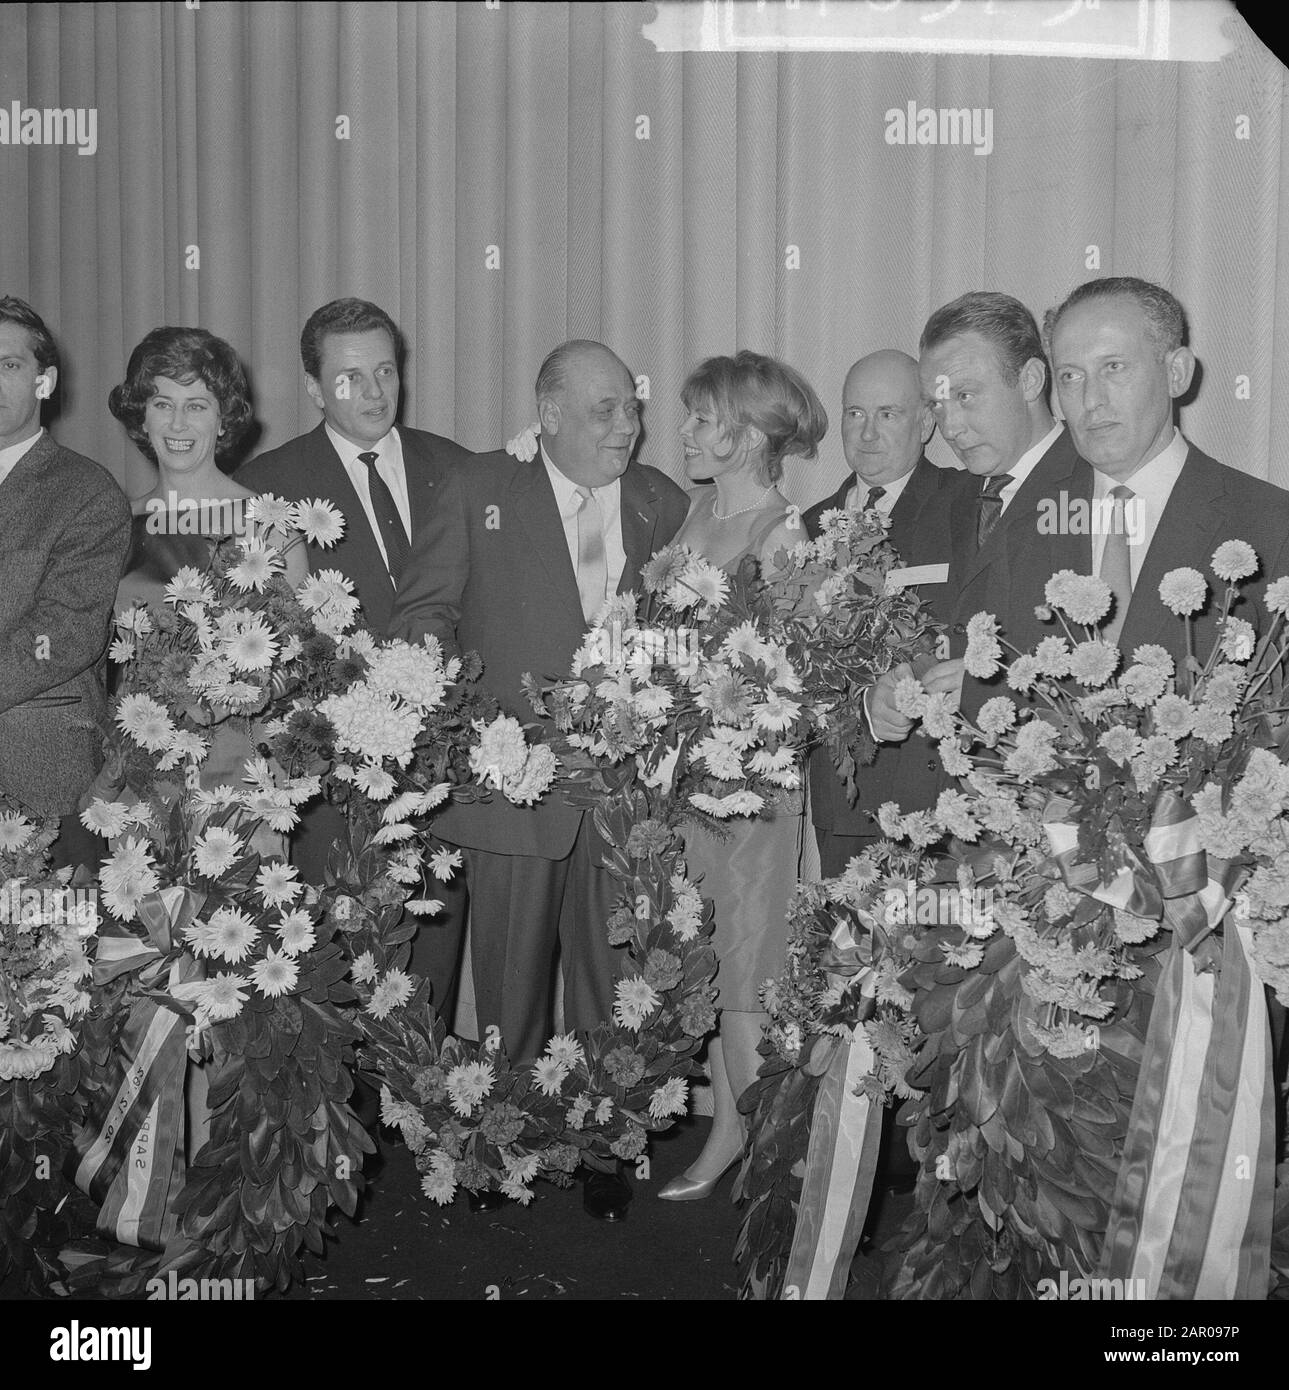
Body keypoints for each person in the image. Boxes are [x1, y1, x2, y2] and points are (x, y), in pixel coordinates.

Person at [390, 339, 689, 1220]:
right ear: (548, 412)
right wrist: (462, 730)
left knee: (613, 982)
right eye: (605, 410)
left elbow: (690, 630)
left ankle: (607, 1144)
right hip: (507, 788)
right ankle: (495, 1146)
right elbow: (423, 616)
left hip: (621, 797)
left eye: (632, 407)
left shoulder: (657, 501)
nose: (627, 425)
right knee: (508, 988)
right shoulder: (482, 485)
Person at [236, 298, 474, 1001]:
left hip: (444, 774)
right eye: (349, 378)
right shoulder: (263, 487)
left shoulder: (460, 468)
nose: (373, 393)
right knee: (343, 978)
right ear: (313, 389)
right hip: (335, 784)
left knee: (426, 972)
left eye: (385, 372)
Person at [658, 350, 828, 1201]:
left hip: (751, 794)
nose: (683, 432)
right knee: (712, 971)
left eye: (701, 419)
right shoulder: (694, 511)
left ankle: (771, 1167)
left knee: (746, 980)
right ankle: (730, 1134)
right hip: (685, 782)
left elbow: (801, 684)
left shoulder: (782, 535)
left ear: (752, 433)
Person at [105, 326, 298, 860]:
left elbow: (306, 659)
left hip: (239, 775)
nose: (178, 423)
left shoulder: (267, 524)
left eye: (197, 405)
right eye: (162, 403)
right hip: (139, 769)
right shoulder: (113, 525)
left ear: (224, 416)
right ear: (140, 416)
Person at [867, 291, 1085, 740]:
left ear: (1029, 381)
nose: (950, 428)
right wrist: (880, 697)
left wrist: (994, 693)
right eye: (937, 404)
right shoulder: (937, 501)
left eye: (965, 396)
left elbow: (1120, 667)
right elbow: (911, 642)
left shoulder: (1097, 493)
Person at [802, 349, 955, 875]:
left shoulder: (968, 504)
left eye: (887, 414)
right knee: (845, 953)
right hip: (842, 799)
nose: (867, 433)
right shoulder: (807, 526)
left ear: (927, 421)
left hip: (934, 799)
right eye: (854, 413)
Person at [0, 295, 131, 871]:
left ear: (44, 382)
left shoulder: (87, 492)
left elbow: (62, 635)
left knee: (53, 954)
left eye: (8, 365)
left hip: (39, 775)